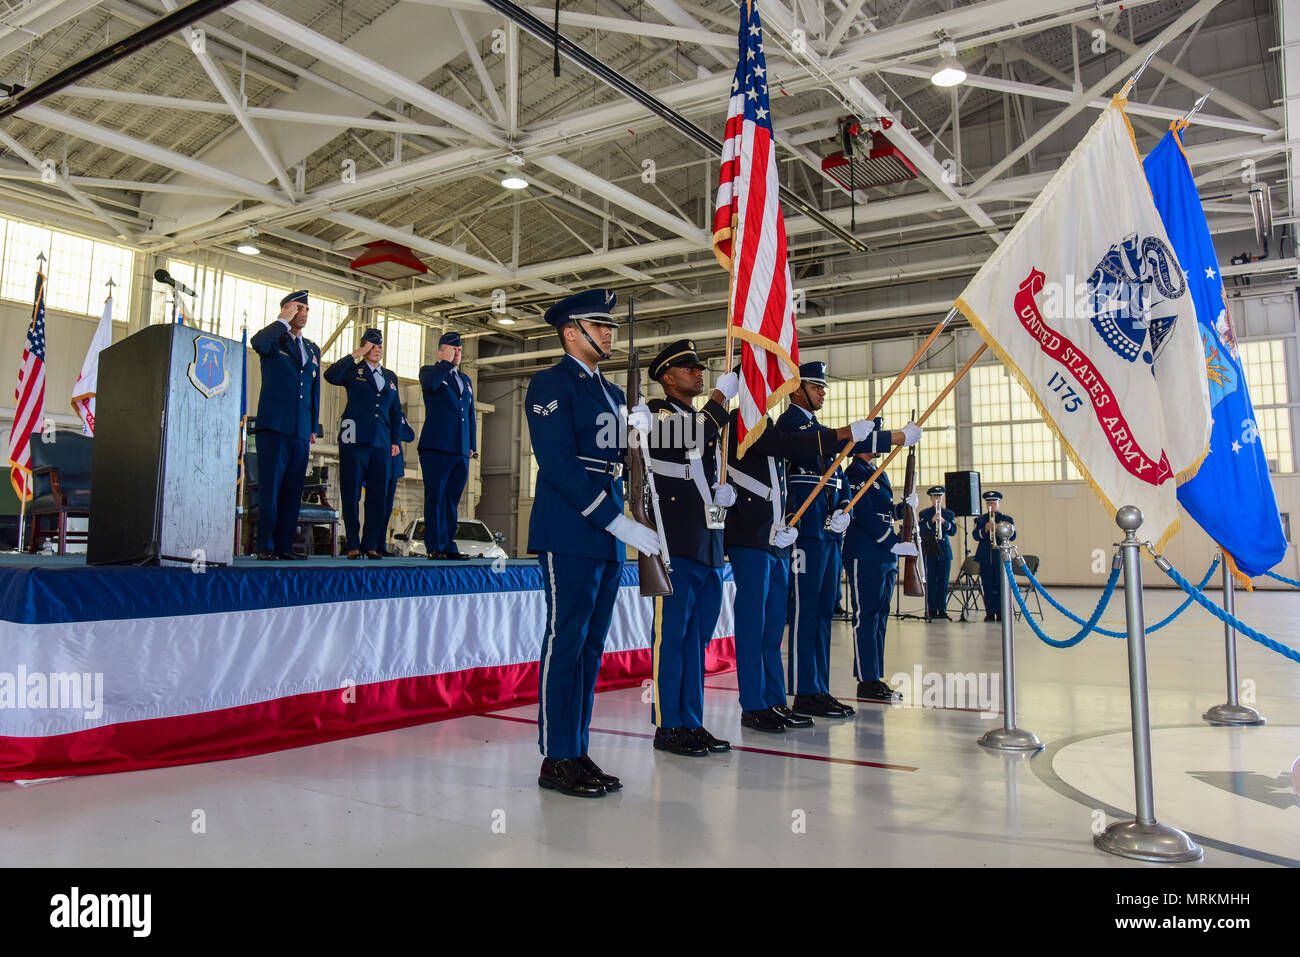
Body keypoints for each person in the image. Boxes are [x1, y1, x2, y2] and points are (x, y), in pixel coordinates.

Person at [526, 289, 660, 798]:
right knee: (565, 639)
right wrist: (614, 520)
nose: (608, 334)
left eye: (610, 327)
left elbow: (623, 460)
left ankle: (577, 750)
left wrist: (644, 431)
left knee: (590, 645)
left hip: (605, 532)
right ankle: (555, 755)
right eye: (597, 326)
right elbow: (558, 465)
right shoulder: (549, 383)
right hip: (570, 526)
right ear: (570, 332)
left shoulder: (609, 392)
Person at [725, 397, 882, 733]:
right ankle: (753, 704)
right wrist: (848, 433)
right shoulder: (743, 420)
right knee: (753, 627)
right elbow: (788, 444)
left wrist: (789, 521)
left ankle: (775, 700)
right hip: (750, 535)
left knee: (771, 630)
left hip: (778, 535)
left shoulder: (766, 422)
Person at [775, 361, 920, 718]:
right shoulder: (791, 425)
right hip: (804, 534)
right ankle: (802, 690)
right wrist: (896, 437)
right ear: (797, 390)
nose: (823, 392)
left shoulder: (821, 431)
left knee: (824, 611)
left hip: (827, 535)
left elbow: (839, 475)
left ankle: (818, 688)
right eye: (816, 387)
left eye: (823, 387)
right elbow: (829, 445)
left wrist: (843, 509)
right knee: (805, 611)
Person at [643, 339, 735, 757]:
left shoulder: (699, 419)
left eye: (700, 368)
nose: (699, 373)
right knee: (673, 638)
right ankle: (668, 724)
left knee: (696, 639)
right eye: (690, 368)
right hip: (676, 542)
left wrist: (720, 517)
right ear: (667, 377)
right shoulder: (655, 415)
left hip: (707, 542)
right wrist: (719, 399)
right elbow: (691, 437)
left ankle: (692, 721)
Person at [249, 290, 321, 560]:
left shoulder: (312, 348)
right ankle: (266, 546)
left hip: (300, 431)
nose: (303, 313)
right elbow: (257, 342)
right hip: (275, 426)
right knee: (272, 488)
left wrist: (312, 426)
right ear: (287, 309)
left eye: (306, 309)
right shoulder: (273, 340)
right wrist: (281, 320)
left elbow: (315, 390)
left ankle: (284, 545)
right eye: (298, 308)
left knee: (293, 490)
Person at [843, 450, 918, 700]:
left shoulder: (878, 472)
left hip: (883, 556)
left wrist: (903, 508)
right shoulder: (854, 473)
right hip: (865, 553)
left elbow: (885, 512)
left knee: (880, 618)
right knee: (865, 617)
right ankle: (866, 680)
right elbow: (864, 516)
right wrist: (892, 543)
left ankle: (875, 675)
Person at [324, 328, 402, 559]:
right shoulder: (352, 370)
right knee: (351, 493)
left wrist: (395, 440)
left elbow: (396, 411)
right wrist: (355, 354)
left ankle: (370, 543)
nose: (377, 350)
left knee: (378, 495)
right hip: (354, 439)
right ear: (364, 347)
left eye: (379, 347)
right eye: (371, 346)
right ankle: (353, 544)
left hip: (381, 442)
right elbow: (330, 375)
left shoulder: (390, 377)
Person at [418, 331, 476, 561]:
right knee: (436, 497)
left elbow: (470, 415)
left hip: (460, 449)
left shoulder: (466, 380)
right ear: (441, 351)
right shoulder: (430, 372)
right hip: (437, 446)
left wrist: (471, 444)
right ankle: (435, 545)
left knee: (452, 500)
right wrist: (445, 362)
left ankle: (449, 544)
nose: (457, 354)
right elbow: (431, 385)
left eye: (460, 351)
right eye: (453, 350)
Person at [973, 490, 1016, 622]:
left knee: (1001, 585)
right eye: (989, 502)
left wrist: (1000, 528)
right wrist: (984, 529)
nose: (991, 505)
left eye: (994, 502)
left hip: (1000, 556)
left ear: (999, 503)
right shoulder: (980, 519)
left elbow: (1013, 536)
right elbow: (976, 536)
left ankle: (1002, 612)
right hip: (985, 557)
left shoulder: (1007, 519)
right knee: (988, 585)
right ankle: (990, 613)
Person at [379, 408, 415, 556]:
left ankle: (380, 544)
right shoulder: (378, 410)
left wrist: (395, 433)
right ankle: (369, 543)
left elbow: (410, 434)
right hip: (378, 462)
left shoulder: (398, 414)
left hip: (393, 464)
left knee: (387, 507)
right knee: (376, 505)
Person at [918, 486, 958, 620]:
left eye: (940, 497)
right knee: (931, 581)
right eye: (935, 497)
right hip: (930, 550)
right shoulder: (924, 513)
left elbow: (953, 531)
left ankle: (942, 609)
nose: (938, 499)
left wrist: (944, 522)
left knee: (943, 581)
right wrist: (931, 521)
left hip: (944, 551)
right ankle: (932, 609)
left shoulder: (949, 514)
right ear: (931, 498)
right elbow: (921, 529)